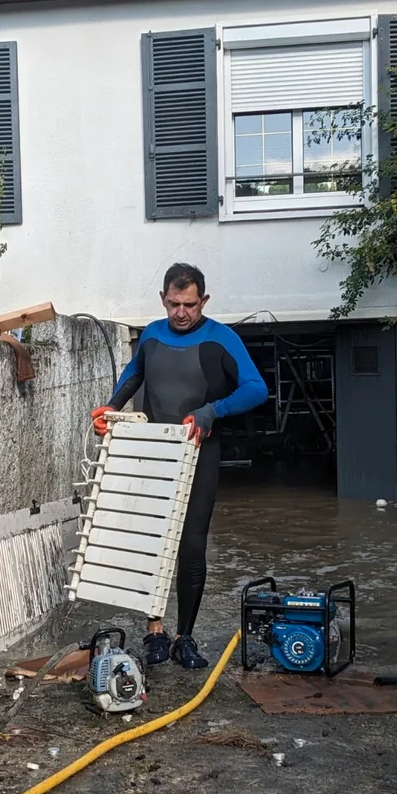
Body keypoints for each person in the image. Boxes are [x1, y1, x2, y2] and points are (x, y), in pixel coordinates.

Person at [90, 263, 268, 669]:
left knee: (190, 547)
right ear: (163, 300)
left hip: (198, 452)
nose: (181, 312)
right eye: (174, 304)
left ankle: (184, 636)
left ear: (203, 301)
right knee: (150, 543)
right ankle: (155, 632)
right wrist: (113, 408)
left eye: (189, 304)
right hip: (152, 451)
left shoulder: (222, 339)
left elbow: (257, 388)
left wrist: (211, 411)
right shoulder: (151, 334)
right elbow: (135, 373)